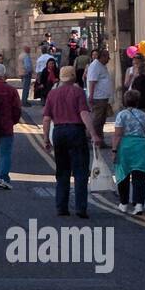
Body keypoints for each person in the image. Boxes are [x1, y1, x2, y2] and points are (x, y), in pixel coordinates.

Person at [42, 66, 102, 218]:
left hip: (59, 132)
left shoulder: (52, 94)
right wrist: (93, 134)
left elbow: (47, 119)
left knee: (62, 171)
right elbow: (84, 113)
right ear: (74, 77)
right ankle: (80, 208)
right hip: (76, 131)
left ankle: (61, 207)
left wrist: (45, 139)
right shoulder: (78, 92)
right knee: (80, 172)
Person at [112, 89, 145, 216]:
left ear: (125, 101)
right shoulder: (144, 115)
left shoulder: (121, 115)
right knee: (139, 177)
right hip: (141, 146)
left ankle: (124, 203)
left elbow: (117, 135)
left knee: (123, 175)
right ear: (137, 101)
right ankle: (138, 205)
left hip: (125, 146)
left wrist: (114, 150)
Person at [85, 49, 114, 147]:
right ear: (101, 57)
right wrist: (91, 96)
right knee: (96, 120)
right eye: (107, 56)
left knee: (101, 120)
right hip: (98, 97)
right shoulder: (95, 66)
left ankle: (100, 141)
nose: (109, 59)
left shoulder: (101, 65)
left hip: (103, 97)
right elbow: (92, 81)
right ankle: (91, 139)